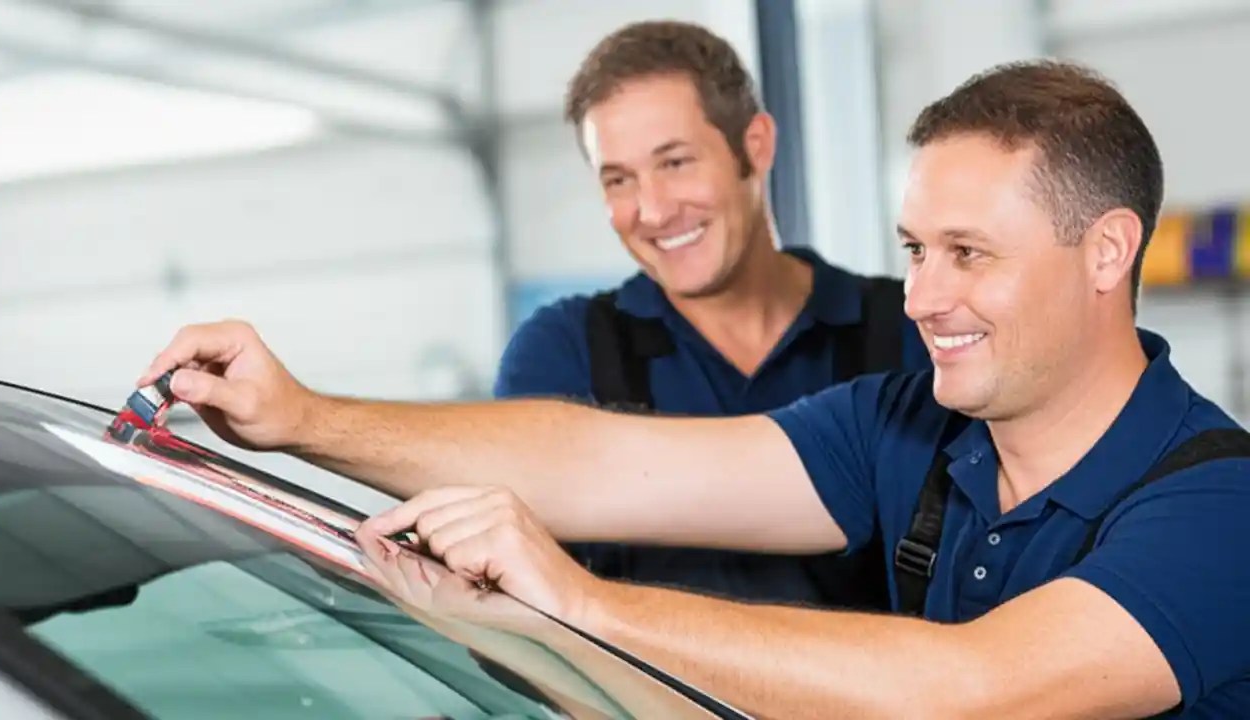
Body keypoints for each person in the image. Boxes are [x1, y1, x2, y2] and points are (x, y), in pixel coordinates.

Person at [141, 60, 1250, 717]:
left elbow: (969, 693)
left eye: (967, 254)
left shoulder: (1219, 509)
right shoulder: (901, 424)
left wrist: (580, 605)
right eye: (912, 249)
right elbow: (602, 465)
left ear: (1107, 254)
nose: (920, 297)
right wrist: (298, 420)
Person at [494, 20, 927, 609]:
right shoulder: (566, 353)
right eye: (618, 179)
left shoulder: (912, 333)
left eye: (675, 163)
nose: (651, 210)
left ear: (756, 145)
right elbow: (521, 616)